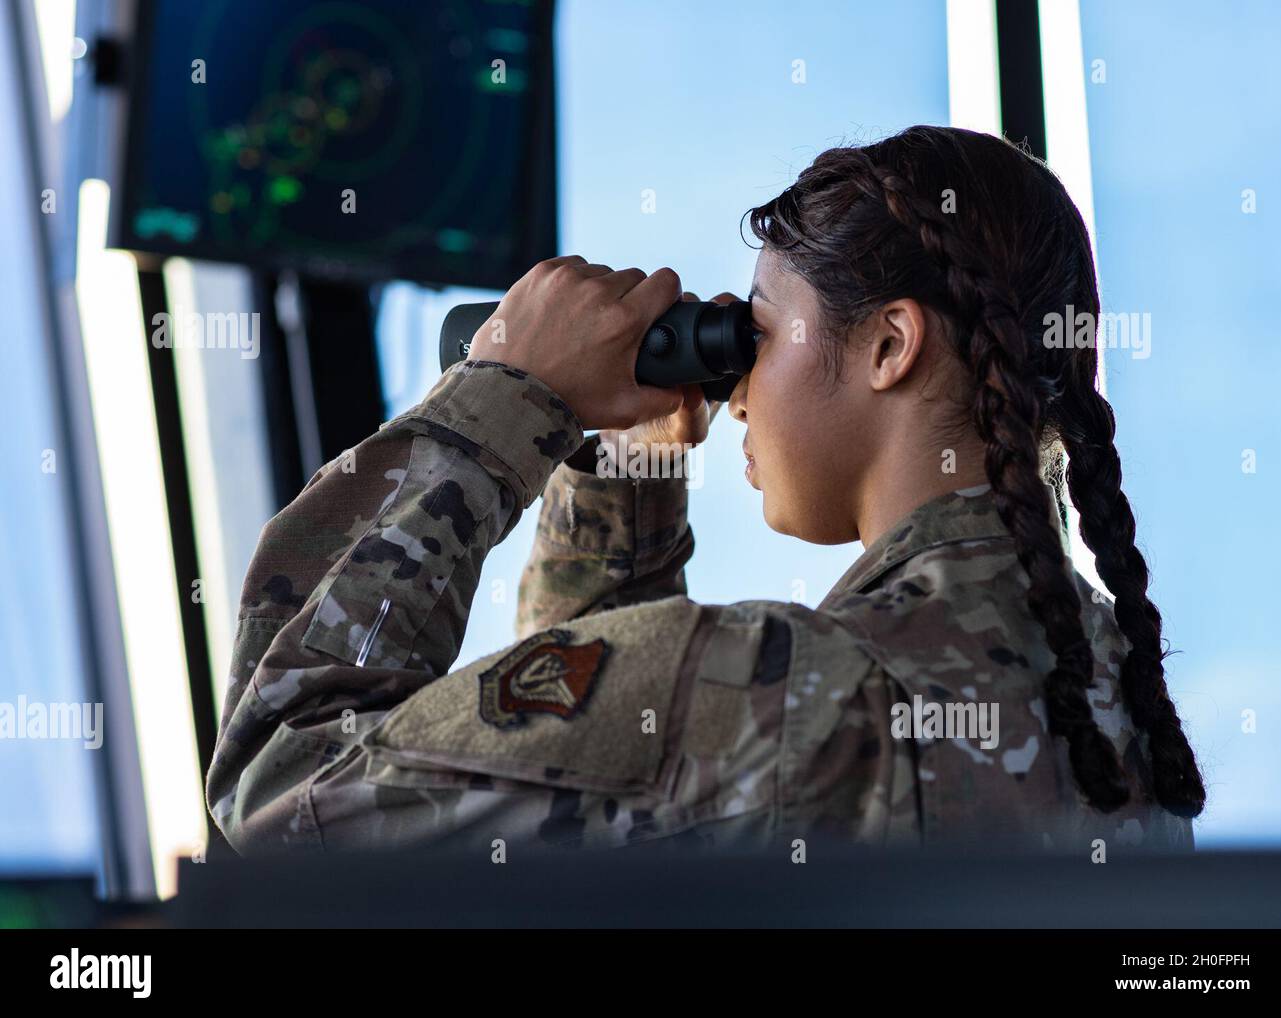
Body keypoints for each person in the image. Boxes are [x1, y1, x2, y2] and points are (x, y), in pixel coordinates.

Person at [206, 126, 1202, 856]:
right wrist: (625, 469)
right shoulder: (1119, 711)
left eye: (756, 332)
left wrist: (501, 405)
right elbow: (609, 812)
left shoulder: (772, 684)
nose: (735, 398)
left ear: (889, 345)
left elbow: (280, 802)